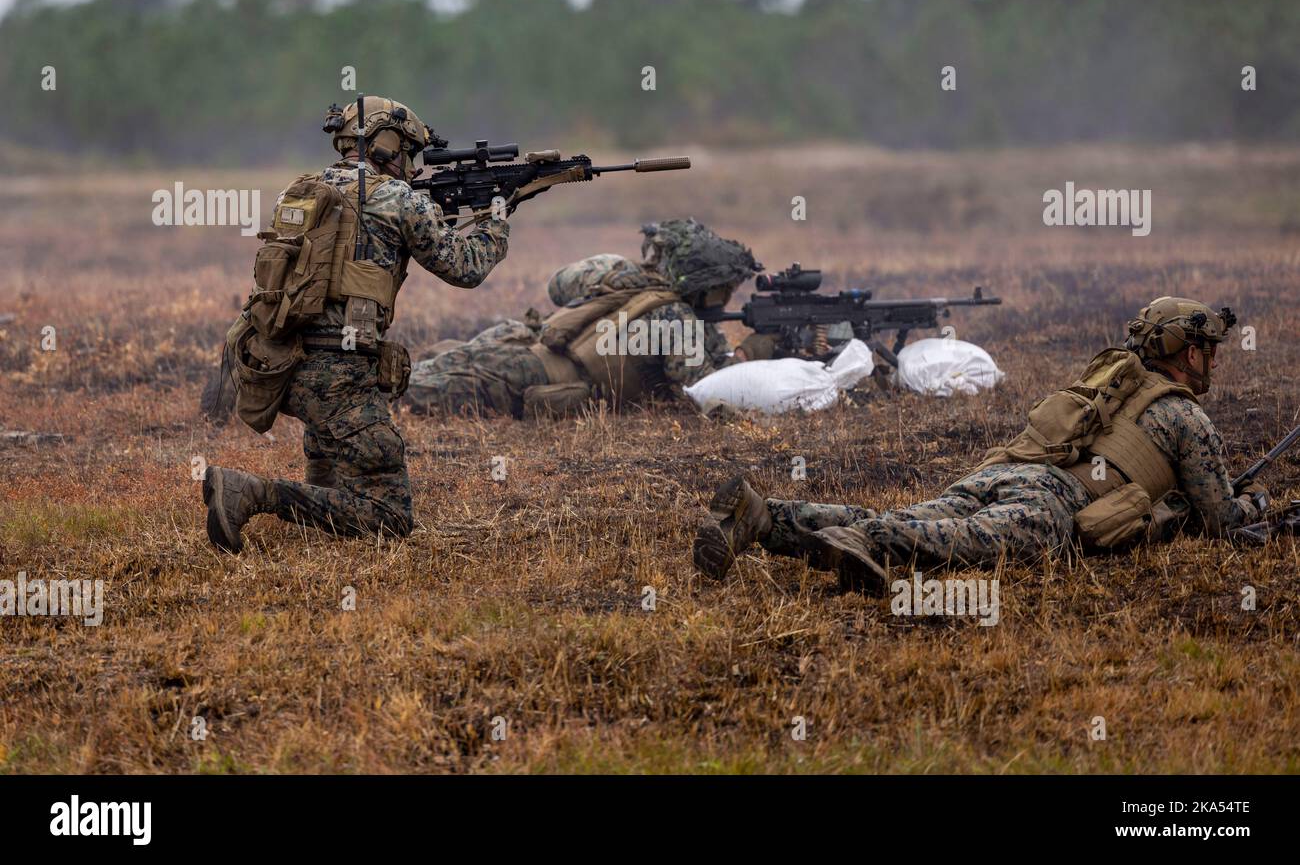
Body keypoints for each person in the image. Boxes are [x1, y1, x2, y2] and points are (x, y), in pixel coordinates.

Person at [693, 296, 1268, 591]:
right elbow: (1220, 519)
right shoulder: (1186, 418)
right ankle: (858, 539)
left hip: (1004, 472)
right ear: (1191, 354)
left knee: (913, 517)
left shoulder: (1111, 384)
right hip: (1052, 504)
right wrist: (1261, 502)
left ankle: (764, 518)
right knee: (949, 543)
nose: (1212, 360)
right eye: (1210, 350)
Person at [201, 96, 509, 552]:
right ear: (388, 144)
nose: (412, 166)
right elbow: (465, 267)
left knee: (332, 435)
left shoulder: (300, 191)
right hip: (337, 376)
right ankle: (251, 492)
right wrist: (495, 223)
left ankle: (318, 515)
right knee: (390, 516)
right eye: (408, 152)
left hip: (278, 361)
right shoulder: (398, 198)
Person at [403, 218, 763, 417]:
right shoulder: (675, 317)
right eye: (725, 288)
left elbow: (559, 287)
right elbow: (703, 391)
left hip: (517, 343)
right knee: (410, 393)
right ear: (703, 284)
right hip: (535, 373)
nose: (727, 296)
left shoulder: (635, 284)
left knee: (421, 373)